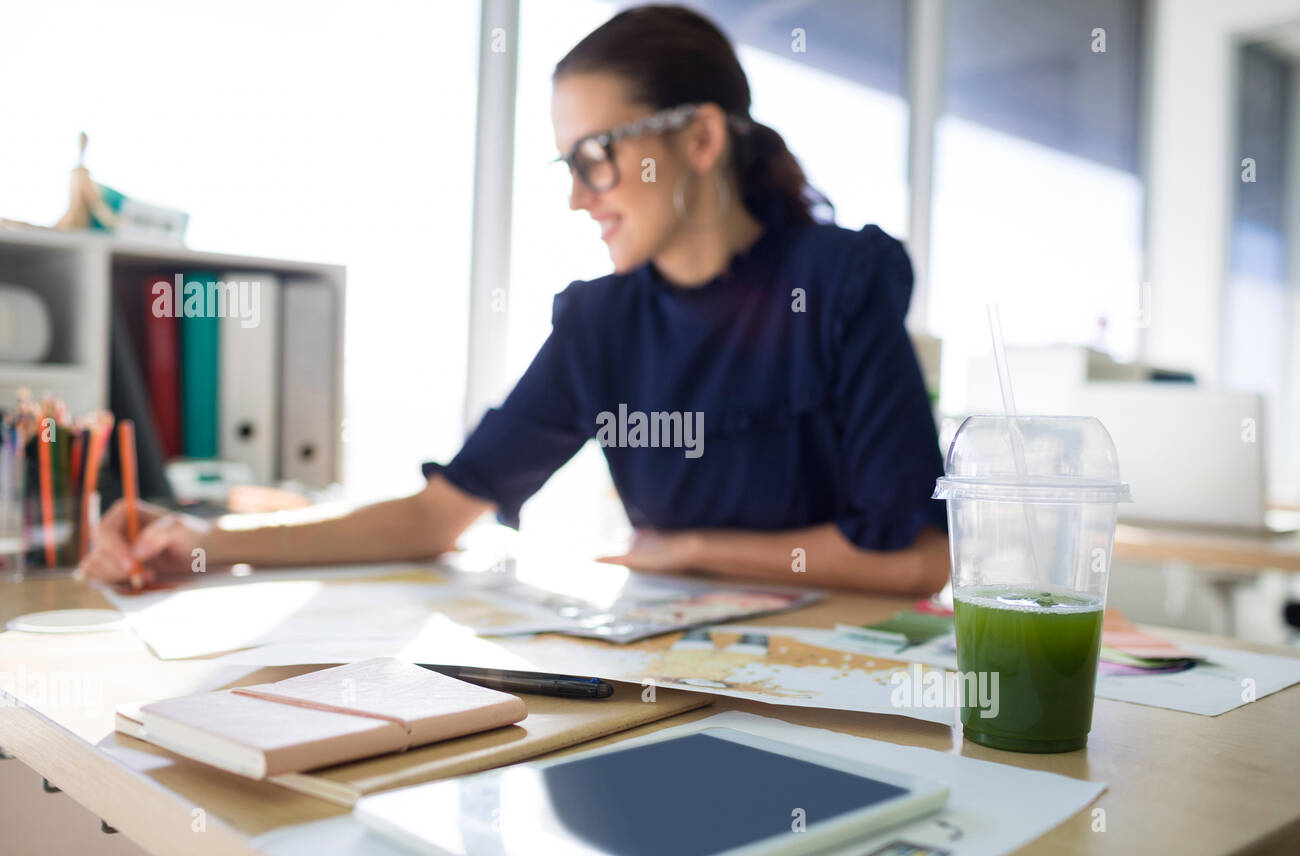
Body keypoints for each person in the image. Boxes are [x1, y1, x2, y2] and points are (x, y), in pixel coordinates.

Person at [80, 4, 950, 596]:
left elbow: (917, 560)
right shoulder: (603, 326)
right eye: (565, 164)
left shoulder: (837, 283)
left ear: (701, 137)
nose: (578, 197)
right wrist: (203, 540)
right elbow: (434, 515)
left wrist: (689, 551)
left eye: (595, 156)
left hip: (844, 690)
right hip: (687, 686)